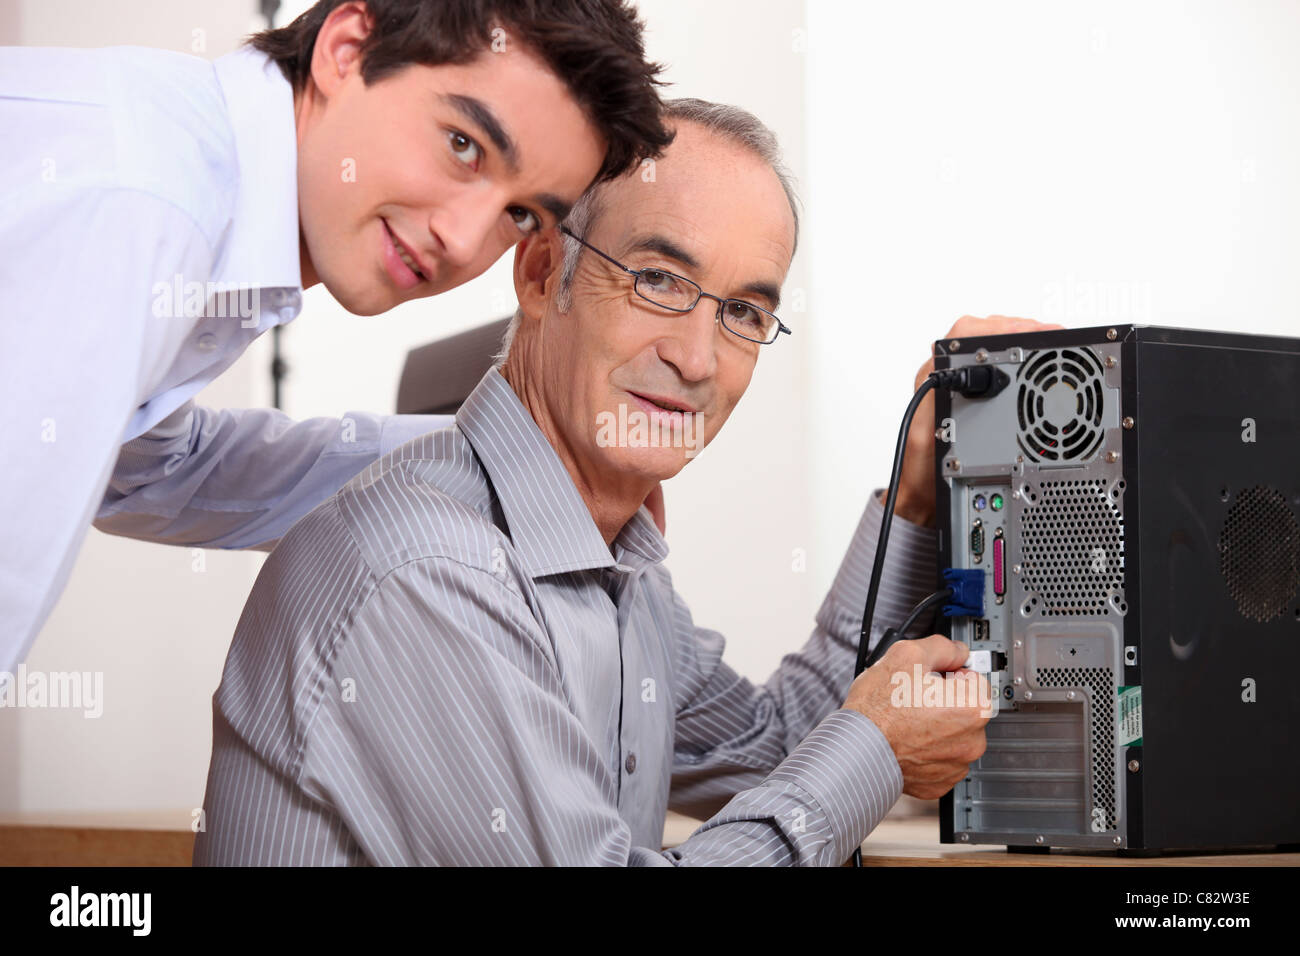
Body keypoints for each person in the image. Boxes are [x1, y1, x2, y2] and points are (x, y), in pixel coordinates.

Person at [193, 98, 1057, 866]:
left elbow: (784, 749)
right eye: (658, 281)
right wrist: (872, 747)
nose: (697, 358)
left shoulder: (620, 578)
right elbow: (838, 759)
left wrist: (910, 504)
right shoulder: (428, 570)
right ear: (540, 276)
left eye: (744, 313)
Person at [0, 0, 672, 669]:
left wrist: (503, 468)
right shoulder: (145, 207)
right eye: (463, 146)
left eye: (521, 214)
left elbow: (149, 471)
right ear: (346, 51)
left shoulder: (195, 182)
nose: (464, 240)